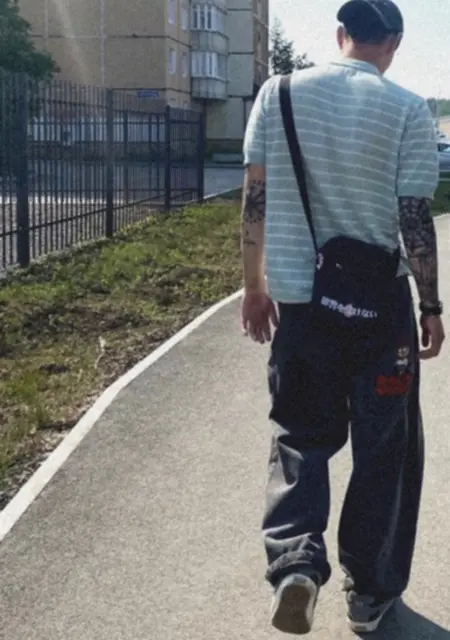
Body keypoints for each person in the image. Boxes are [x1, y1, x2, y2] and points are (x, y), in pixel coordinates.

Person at [240, 0, 445, 635]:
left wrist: (253, 287)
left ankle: (296, 564)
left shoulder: (278, 94)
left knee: (300, 436)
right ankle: (369, 593)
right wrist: (430, 304)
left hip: (302, 306)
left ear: (340, 34)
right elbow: (415, 218)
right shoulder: (408, 109)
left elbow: (255, 196)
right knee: (384, 449)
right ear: (394, 43)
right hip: (381, 312)